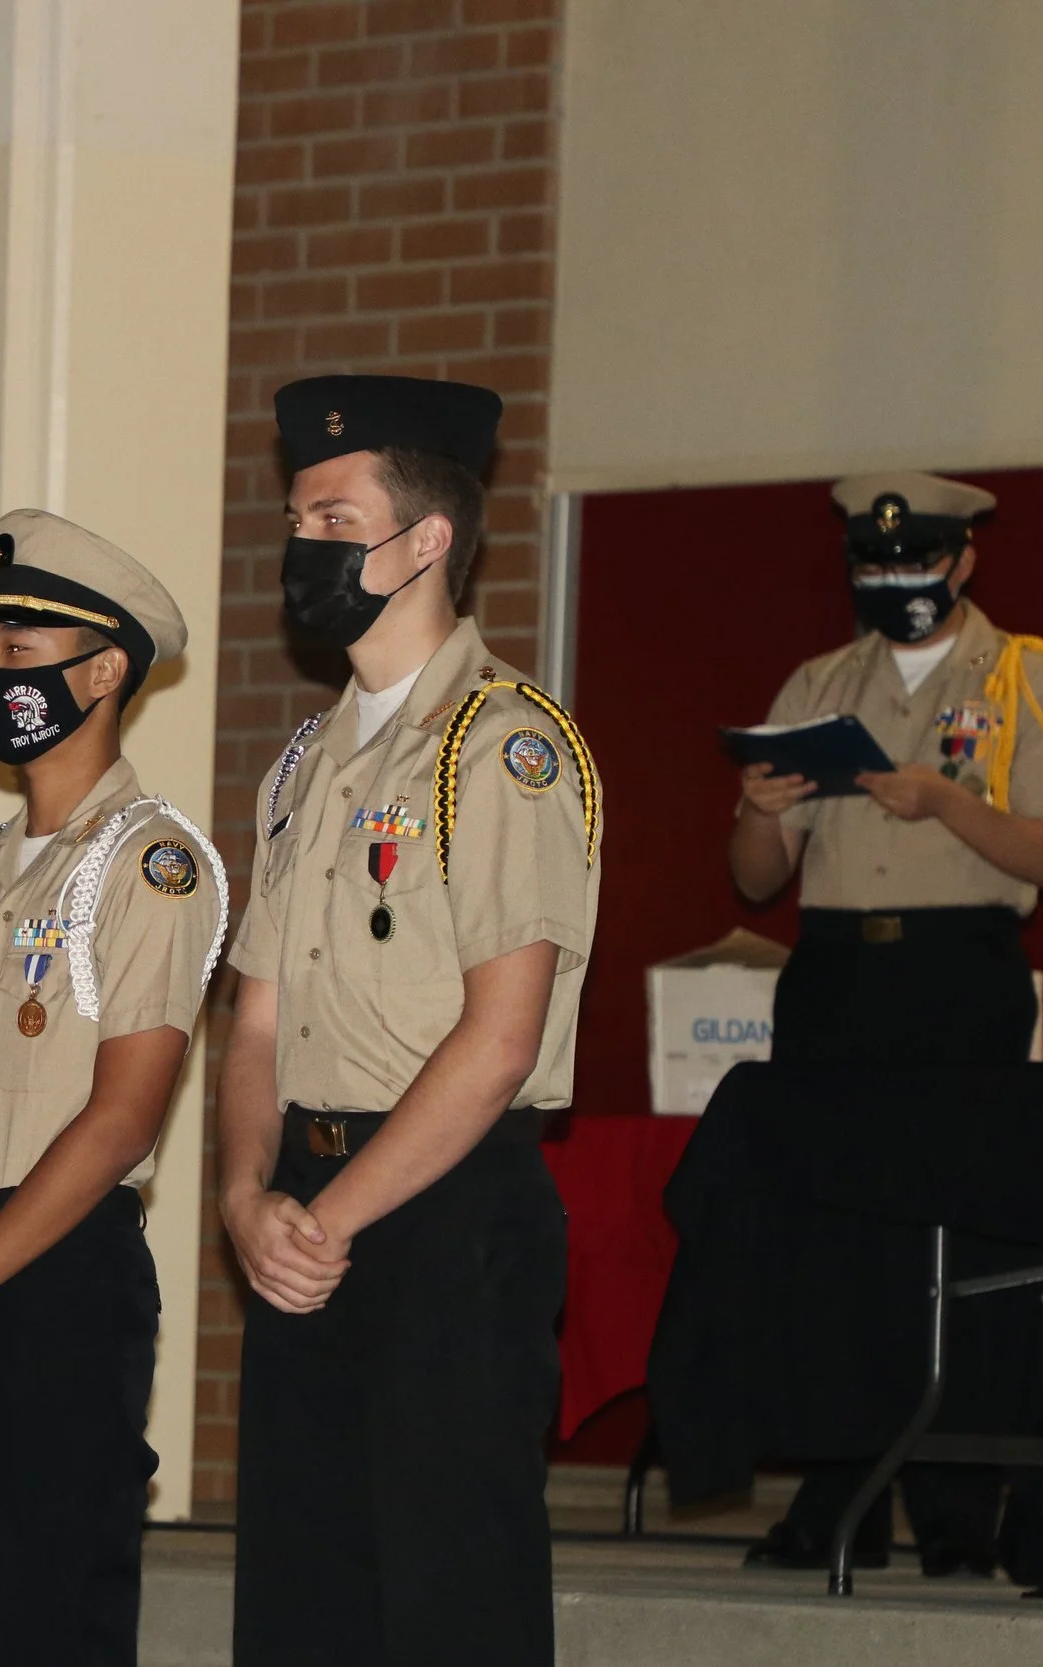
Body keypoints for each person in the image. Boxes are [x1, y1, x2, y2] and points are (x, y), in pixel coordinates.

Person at [220, 375, 600, 1667]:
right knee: (302, 1585)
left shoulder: (500, 747)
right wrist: (242, 1193)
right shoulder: (305, 763)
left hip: (442, 1214)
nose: (302, 542)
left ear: (425, 540)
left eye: (335, 515)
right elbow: (256, 1020)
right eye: (296, 514)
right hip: (303, 1210)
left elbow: (499, 1038)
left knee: (446, 1592)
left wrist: (326, 1217)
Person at [0, 510, 227, 1667]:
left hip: (52, 1275)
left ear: (103, 667)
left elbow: (121, 1116)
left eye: (19, 653)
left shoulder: (152, 863)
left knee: (42, 1613)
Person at [728, 472, 1043, 1595]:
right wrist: (754, 807)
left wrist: (946, 803)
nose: (898, 583)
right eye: (875, 566)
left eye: (919, 564)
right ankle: (837, 1491)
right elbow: (755, 879)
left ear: (963, 561)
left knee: (958, 1239)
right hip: (837, 971)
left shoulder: (1024, 672)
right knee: (839, 1237)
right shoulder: (819, 681)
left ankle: (954, 1503)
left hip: (956, 973)